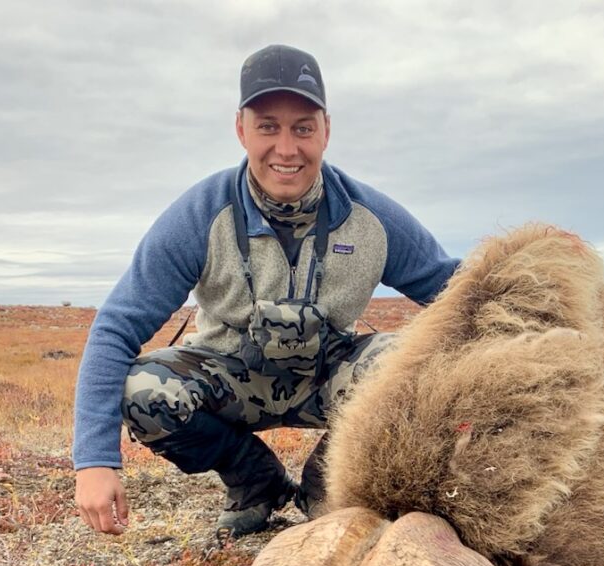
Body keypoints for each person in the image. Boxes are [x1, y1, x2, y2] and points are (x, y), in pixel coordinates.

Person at [73, 44, 459, 537]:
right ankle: (254, 480)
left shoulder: (372, 217)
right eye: (267, 126)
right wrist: (94, 460)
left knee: (420, 367)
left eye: (302, 127)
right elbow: (116, 327)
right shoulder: (198, 216)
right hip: (231, 376)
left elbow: (456, 289)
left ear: (326, 131)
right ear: (241, 130)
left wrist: (541, 284)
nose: (286, 148)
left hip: (329, 378)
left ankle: (326, 486)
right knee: (144, 389)